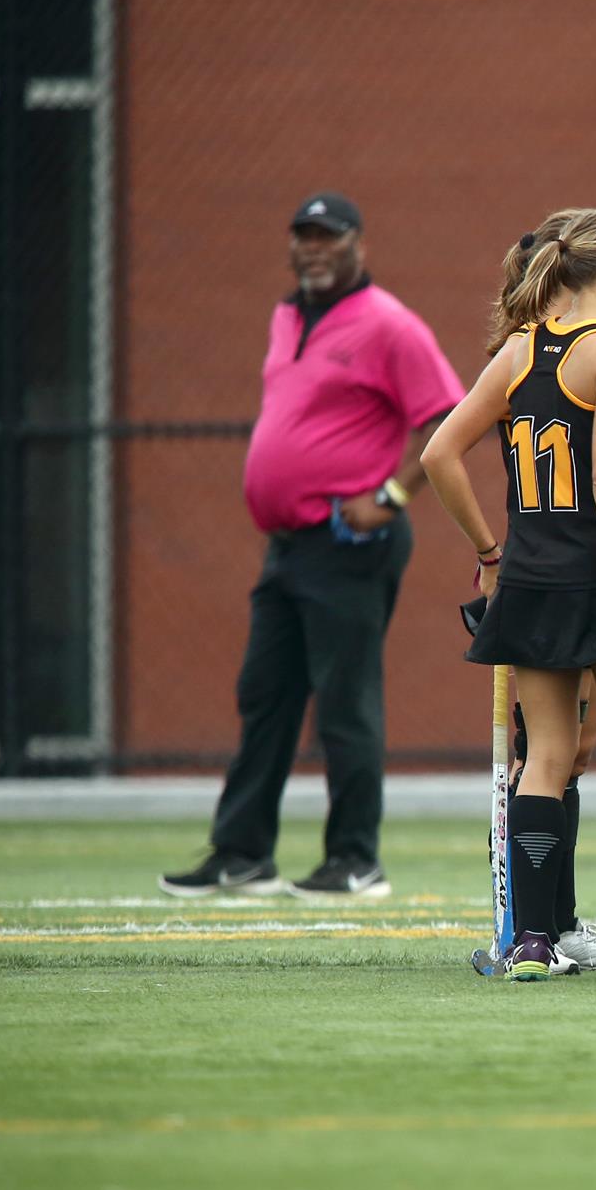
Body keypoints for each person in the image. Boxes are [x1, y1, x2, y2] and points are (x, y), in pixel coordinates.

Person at [160, 192, 464, 901]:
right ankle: (241, 852)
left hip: (348, 542)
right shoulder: (286, 315)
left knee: (344, 703)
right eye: (303, 236)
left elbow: (447, 422)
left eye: (328, 236)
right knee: (264, 693)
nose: (313, 248)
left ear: (359, 243)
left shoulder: (389, 324)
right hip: (288, 546)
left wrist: (389, 499)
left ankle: (354, 859)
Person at [420, 207, 596, 981]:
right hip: (595, 575)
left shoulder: (518, 351)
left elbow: (439, 453)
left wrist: (489, 549)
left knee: (547, 756)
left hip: (529, 574)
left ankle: (532, 941)